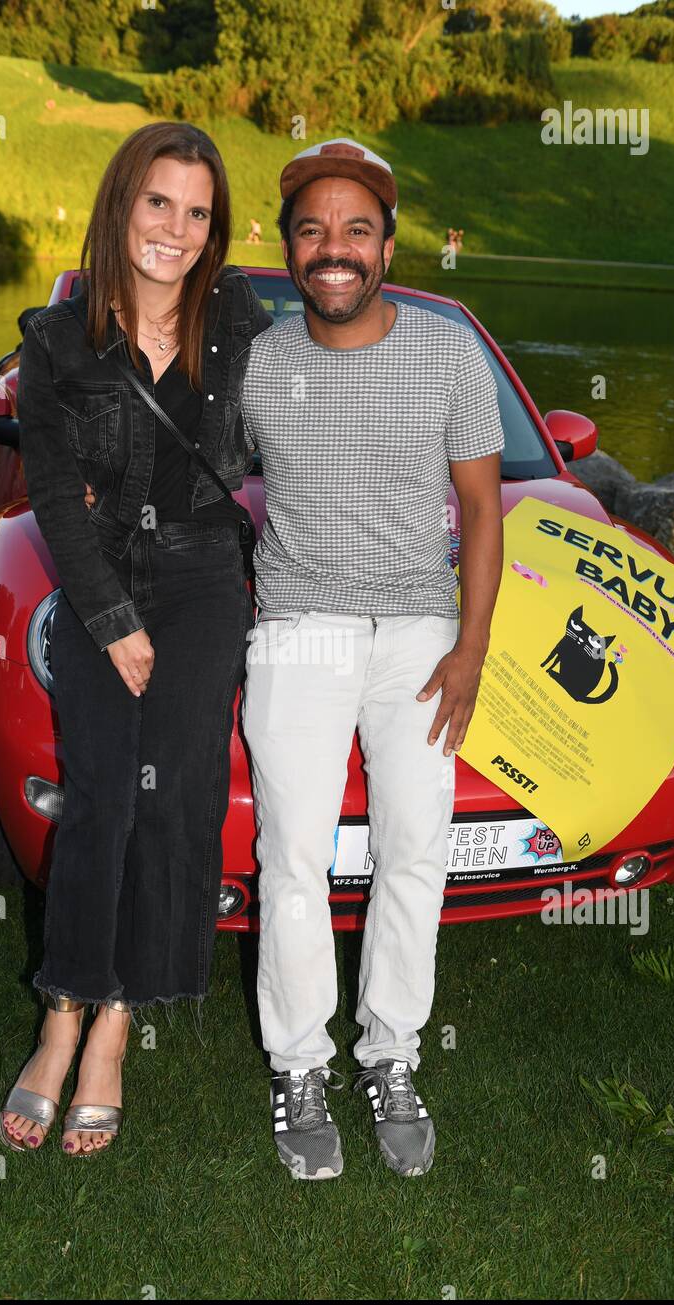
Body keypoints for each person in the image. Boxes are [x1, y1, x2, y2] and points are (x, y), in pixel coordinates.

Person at [2, 121, 270, 1157]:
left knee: (181, 795)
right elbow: (57, 509)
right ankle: (62, 1007)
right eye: (158, 202)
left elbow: (321, 367)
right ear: (121, 203)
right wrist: (111, 622)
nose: (176, 229)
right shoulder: (58, 340)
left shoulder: (237, 319)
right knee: (102, 795)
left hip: (204, 577)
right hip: (103, 568)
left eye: (197, 212)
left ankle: (115, 1023)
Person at [240, 138, 505, 1180]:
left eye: (356, 229)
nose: (334, 249)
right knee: (293, 858)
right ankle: (297, 1065)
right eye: (313, 230)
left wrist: (470, 647)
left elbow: (482, 507)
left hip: (416, 640)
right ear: (288, 246)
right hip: (298, 629)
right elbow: (196, 468)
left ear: (388, 245)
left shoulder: (446, 353)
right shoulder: (261, 360)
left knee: (414, 849)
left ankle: (389, 1054)